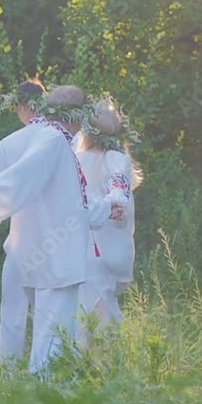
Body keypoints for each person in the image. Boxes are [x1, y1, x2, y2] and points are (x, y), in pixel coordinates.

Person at [0, 85, 122, 373]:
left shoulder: (58, 141)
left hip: (39, 251)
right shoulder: (53, 140)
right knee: (52, 336)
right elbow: (19, 180)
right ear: (78, 115)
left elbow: (74, 202)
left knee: (43, 329)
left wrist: (107, 208)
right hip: (53, 255)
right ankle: (42, 403)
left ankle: (24, 384)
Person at [0, 80, 48, 364]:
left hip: (21, 242)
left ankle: (8, 372)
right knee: (49, 313)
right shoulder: (67, 140)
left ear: (23, 107)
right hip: (57, 239)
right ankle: (51, 369)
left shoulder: (10, 144)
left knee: (13, 311)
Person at [75, 99, 143, 347]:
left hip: (91, 246)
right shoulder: (117, 158)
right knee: (102, 301)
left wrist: (111, 204)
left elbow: (117, 194)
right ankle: (108, 358)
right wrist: (114, 203)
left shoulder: (76, 159)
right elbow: (118, 189)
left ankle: (95, 359)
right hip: (112, 246)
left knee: (92, 304)